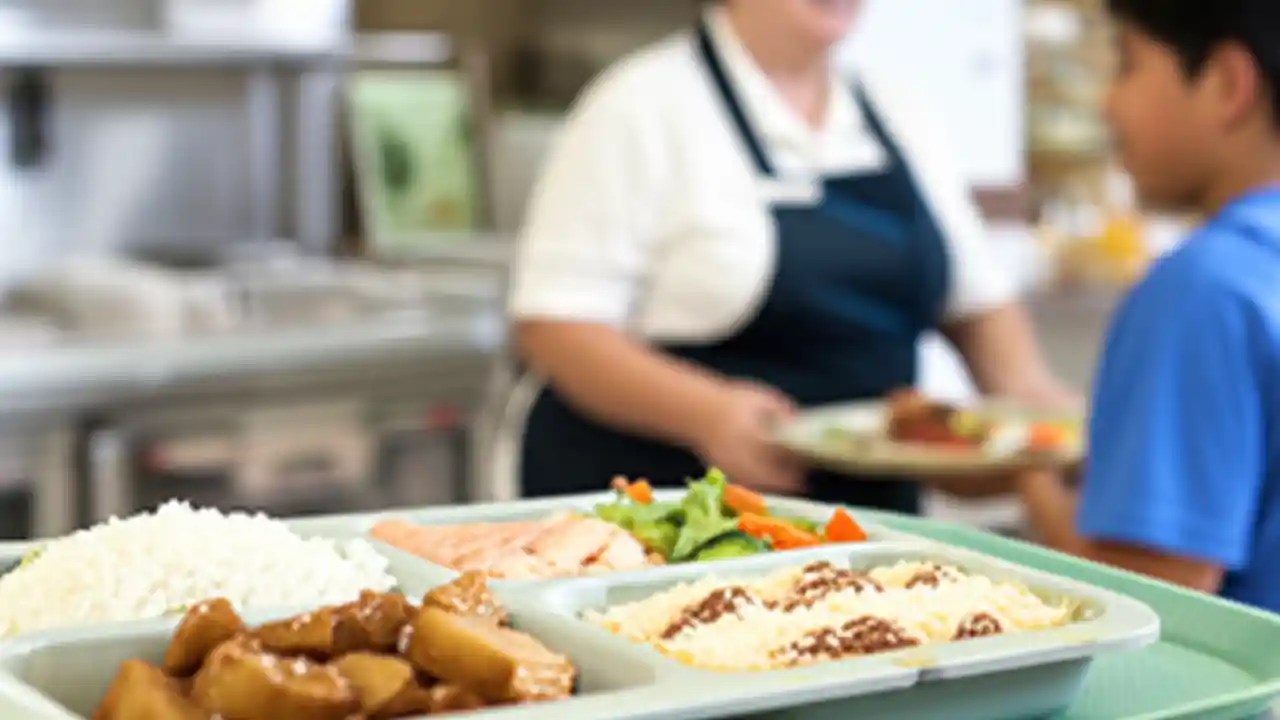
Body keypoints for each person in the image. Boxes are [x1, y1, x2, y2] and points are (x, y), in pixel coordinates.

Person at [500, 0, 1070, 511]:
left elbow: (976, 305)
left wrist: (1043, 416)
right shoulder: (640, 105)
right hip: (665, 508)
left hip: (866, 518)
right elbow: (556, 325)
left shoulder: (899, 109)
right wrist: (706, 412)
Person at [1018, 0, 1280, 612]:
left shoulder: (1203, 290)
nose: (1107, 103)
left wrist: (1028, 478)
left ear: (1227, 83)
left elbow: (1153, 601)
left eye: (1128, 65)